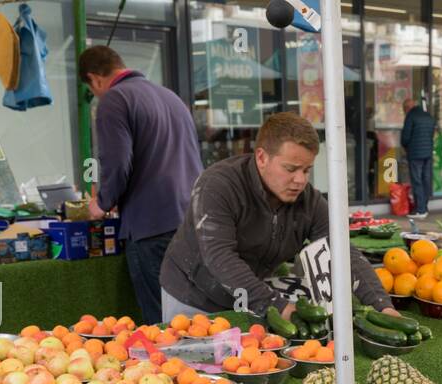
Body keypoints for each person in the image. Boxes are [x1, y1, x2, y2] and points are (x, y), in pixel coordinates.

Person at [160, 112, 401, 322]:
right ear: (262, 157)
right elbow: (219, 256)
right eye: (290, 169)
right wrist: (277, 306)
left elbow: (343, 252)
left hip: (249, 295)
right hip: (194, 297)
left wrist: (383, 306)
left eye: (307, 170)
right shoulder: (218, 185)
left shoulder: (310, 201)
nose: (300, 180)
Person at [80, 46, 203, 327]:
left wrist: (101, 203)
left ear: (95, 79)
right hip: (192, 220)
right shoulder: (170, 97)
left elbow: (117, 162)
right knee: (191, 319)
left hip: (151, 225)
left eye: (92, 88)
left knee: (162, 323)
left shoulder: (114, 99)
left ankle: (172, 371)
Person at [401, 97, 435, 218]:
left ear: (407, 108)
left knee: (417, 181)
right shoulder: (428, 116)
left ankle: (420, 210)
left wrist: (405, 146)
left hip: (415, 154)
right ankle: (424, 207)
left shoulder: (411, 116)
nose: (404, 112)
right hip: (428, 153)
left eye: (404, 109)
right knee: (426, 180)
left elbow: (405, 137)